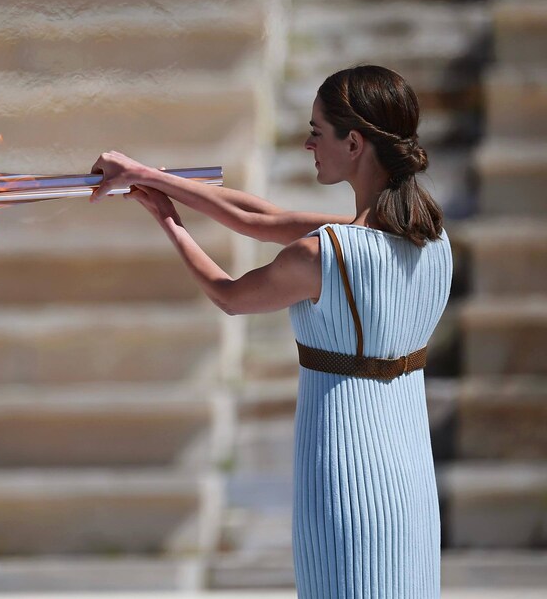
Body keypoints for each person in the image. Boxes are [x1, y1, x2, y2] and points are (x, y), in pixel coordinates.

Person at [91, 64, 450, 598]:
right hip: (411, 477)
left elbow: (229, 295)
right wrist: (152, 176)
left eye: (316, 131)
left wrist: (166, 217)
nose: (307, 144)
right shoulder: (431, 239)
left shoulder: (324, 254)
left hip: (346, 475)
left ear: (354, 143)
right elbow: (259, 219)